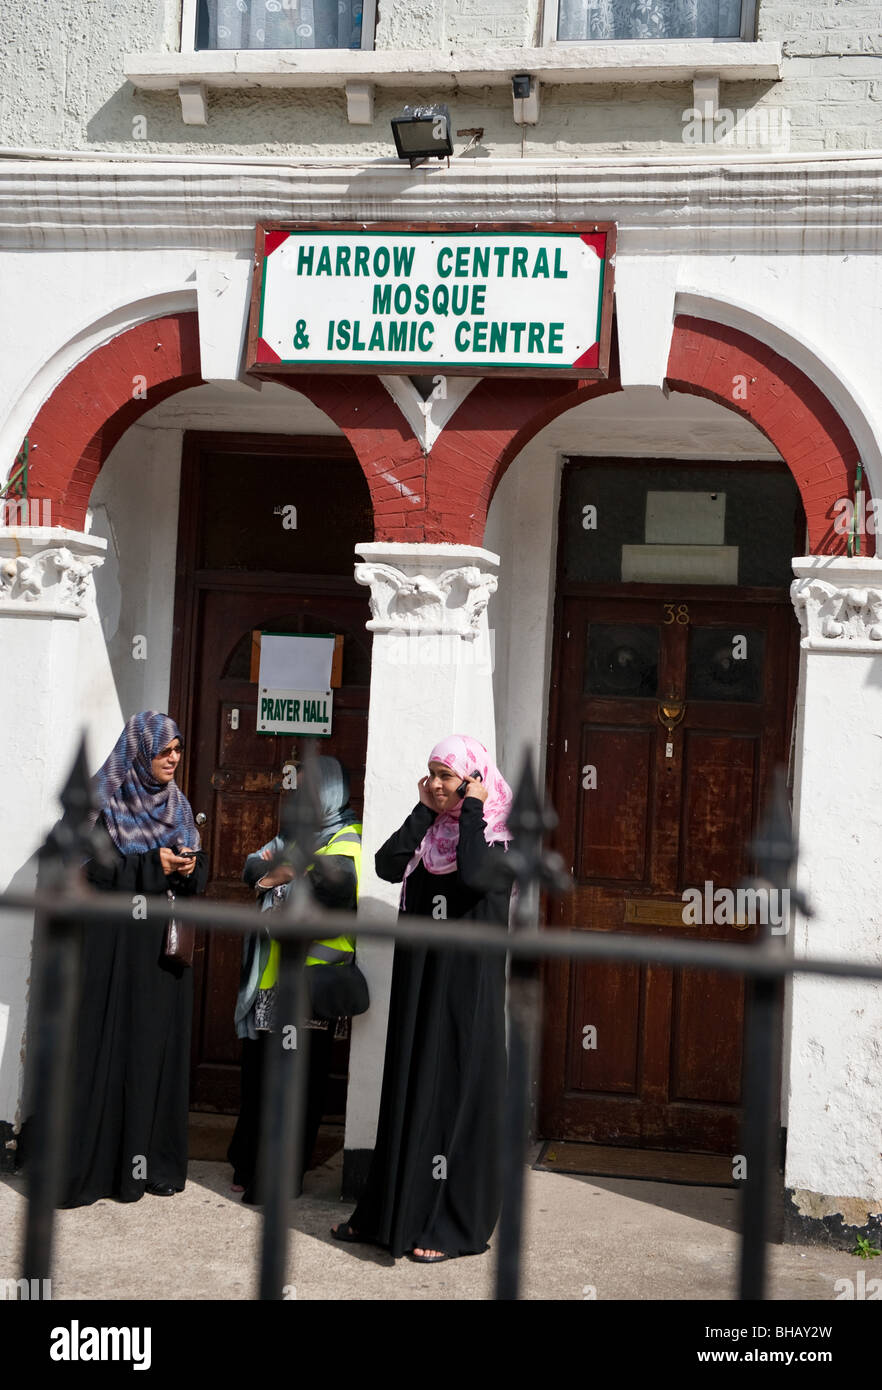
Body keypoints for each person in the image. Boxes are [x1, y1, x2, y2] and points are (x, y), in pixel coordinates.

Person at [332, 734, 513, 1262]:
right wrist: (422, 810)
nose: (436, 783)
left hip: (464, 991)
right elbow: (387, 864)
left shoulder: (500, 839)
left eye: (447, 776)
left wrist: (474, 809)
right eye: (430, 773)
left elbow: (475, 873)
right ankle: (388, 1216)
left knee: (452, 1095)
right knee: (410, 1088)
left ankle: (447, 1226)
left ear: (475, 780)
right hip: (420, 984)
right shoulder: (430, 834)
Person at [60, 711, 208, 1208]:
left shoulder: (180, 807)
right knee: (112, 1047)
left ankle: (154, 1165)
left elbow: (197, 878)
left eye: (178, 749)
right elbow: (91, 872)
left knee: (156, 1051)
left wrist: (187, 866)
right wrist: (152, 864)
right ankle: (103, 1170)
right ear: (139, 750)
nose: (173, 758)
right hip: (117, 947)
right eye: (164, 749)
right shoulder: (106, 805)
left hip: (162, 951)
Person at [228, 756, 363, 1202]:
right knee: (263, 1078)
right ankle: (250, 1165)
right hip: (270, 983)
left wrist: (291, 871)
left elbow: (339, 886)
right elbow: (251, 866)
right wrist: (278, 871)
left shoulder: (347, 837)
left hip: (313, 984)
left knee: (298, 1084)